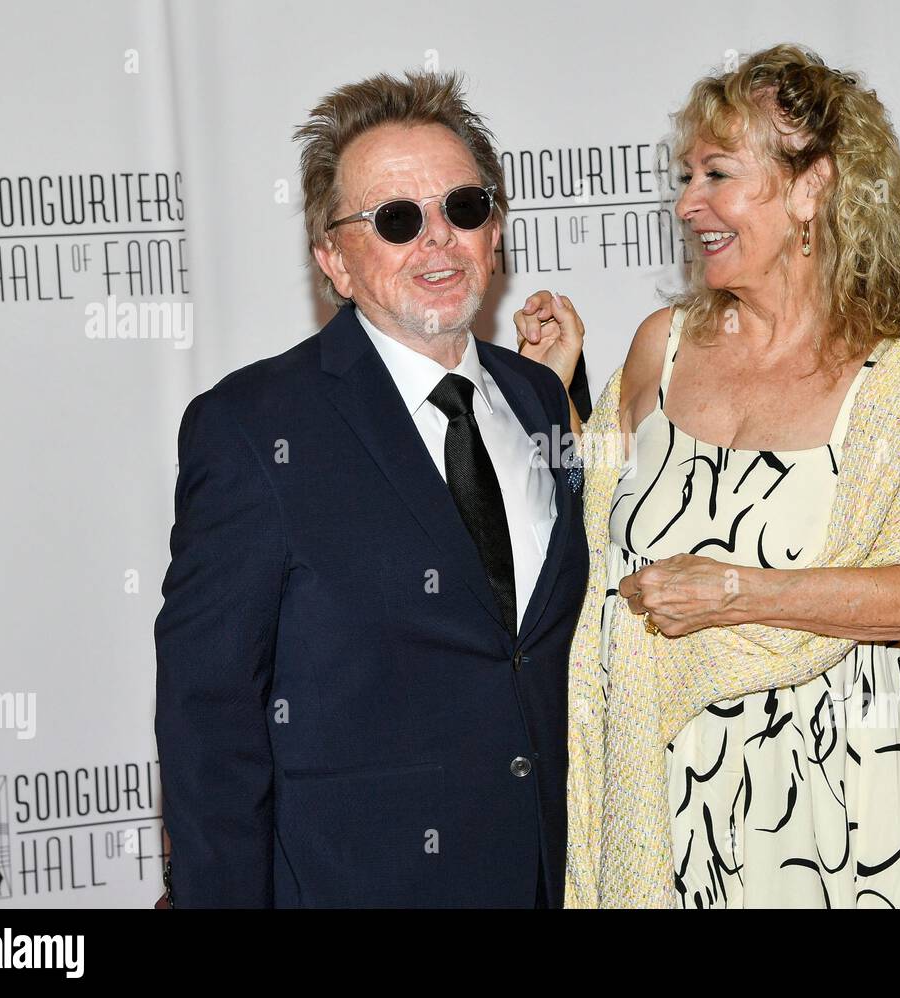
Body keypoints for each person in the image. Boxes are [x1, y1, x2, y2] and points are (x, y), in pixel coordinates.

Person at [563, 44, 900, 908]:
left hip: (837, 797)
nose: (688, 202)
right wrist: (557, 399)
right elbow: (599, 534)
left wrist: (739, 591)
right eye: (687, 175)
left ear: (811, 188)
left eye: (718, 174)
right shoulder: (660, 347)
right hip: (664, 791)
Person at [154, 69, 591, 908]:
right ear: (334, 261)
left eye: (463, 207)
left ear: (493, 231)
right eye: (396, 220)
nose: (438, 240)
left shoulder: (538, 396)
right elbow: (209, 719)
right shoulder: (251, 427)